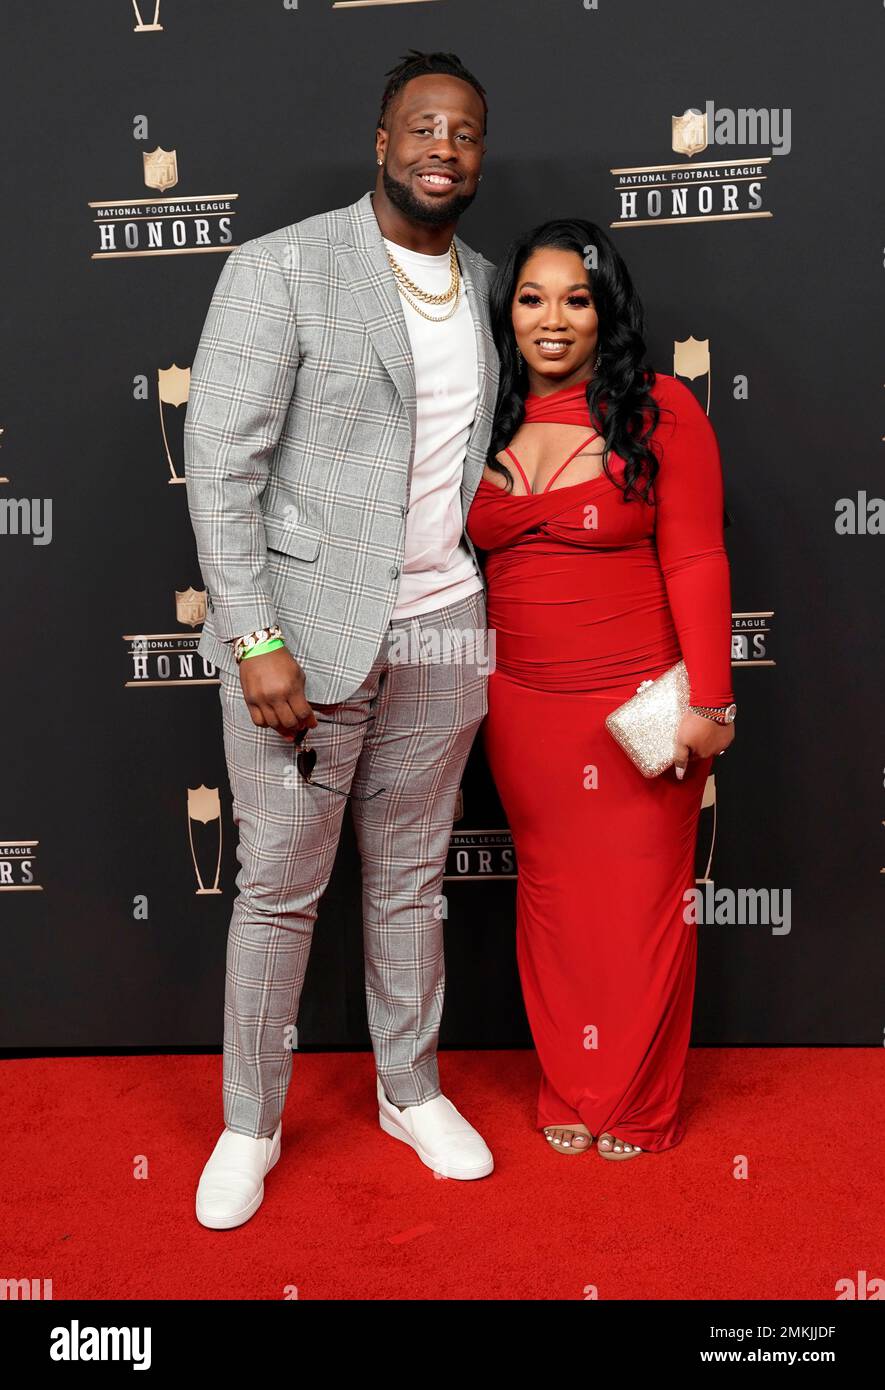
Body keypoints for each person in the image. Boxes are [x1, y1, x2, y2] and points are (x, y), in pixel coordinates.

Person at [184, 50, 499, 1229]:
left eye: (464, 133)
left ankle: (408, 1090)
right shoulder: (282, 267)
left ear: (480, 155)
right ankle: (249, 1123)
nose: (442, 148)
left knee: (413, 883)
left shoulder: (490, 286)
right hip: (303, 638)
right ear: (382, 140)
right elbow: (222, 469)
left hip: (444, 632)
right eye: (422, 126)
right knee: (277, 889)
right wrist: (257, 636)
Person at [466, 220, 736, 1160]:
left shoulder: (657, 409)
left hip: (635, 710)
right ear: (506, 312)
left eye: (575, 299)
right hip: (520, 709)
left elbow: (698, 555)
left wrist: (712, 701)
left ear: (605, 309)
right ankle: (572, 1083)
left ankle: (637, 1101)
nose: (552, 319)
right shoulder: (482, 416)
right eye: (531, 298)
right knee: (550, 902)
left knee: (640, 904)